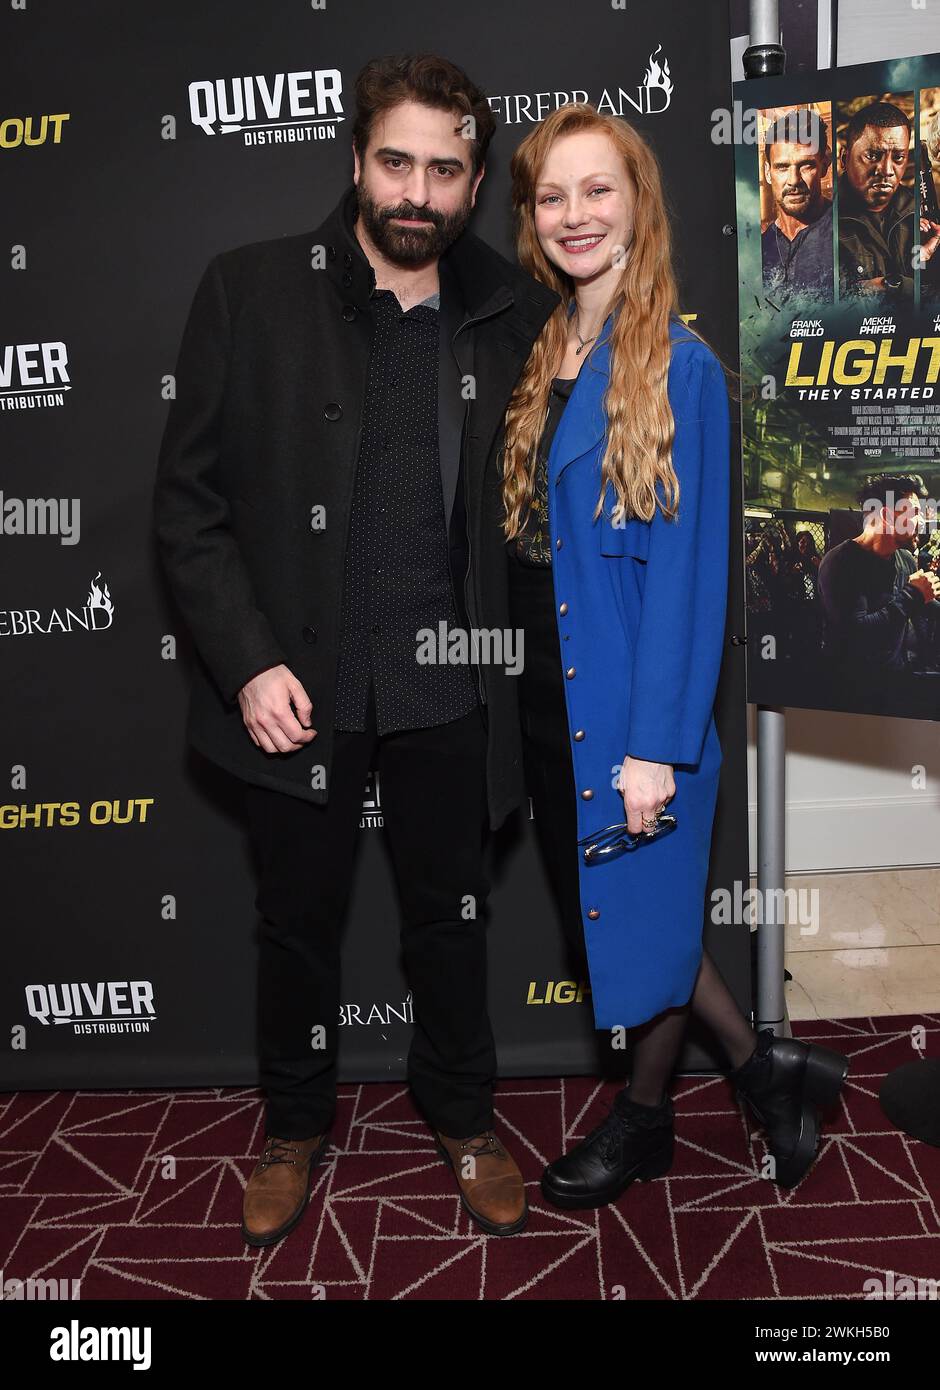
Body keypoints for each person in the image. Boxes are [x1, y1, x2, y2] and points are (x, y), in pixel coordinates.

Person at [152, 52, 559, 1247]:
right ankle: (290, 1127)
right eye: (397, 161)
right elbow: (188, 508)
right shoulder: (250, 289)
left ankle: (465, 1112)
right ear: (355, 161)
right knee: (296, 923)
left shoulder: (512, 313)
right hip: (299, 685)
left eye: (444, 168)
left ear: (475, 181)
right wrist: (248, 662)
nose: (416, 192)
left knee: (452, 917)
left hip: (448, 680)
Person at [497, 102, 850, 1209]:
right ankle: (764, 1071)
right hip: (556, 698)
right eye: (552, 195)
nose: (574, 215)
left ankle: (655, 1116)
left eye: (597, 189)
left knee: (643, 922)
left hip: (632, 708)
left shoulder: (680, 365)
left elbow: (694, 579)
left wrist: (654, 746)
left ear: (639, 203)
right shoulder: (552, 340)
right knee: (641, 920)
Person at [818, 473, 940, 679]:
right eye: (915, 512)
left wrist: (923, 594)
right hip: (852, 690)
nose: (922, 520)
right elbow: (857, 634)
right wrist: (913, 594)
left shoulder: (905, 559)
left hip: (897, 677)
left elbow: (919, 605)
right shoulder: (841, 562)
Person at [837, 101, 922, 299]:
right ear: (844, 159)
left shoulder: (924, 214)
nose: (886, 170)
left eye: (899, 157)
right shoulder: (821, 221)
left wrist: (893, 286)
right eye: (873, 155)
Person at [760, 110, 833, 300]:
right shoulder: (759, 249)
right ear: (768, 172)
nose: (793, 180)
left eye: (805, 165)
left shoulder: (850, 234)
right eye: (782, 167)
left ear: (824, 165)